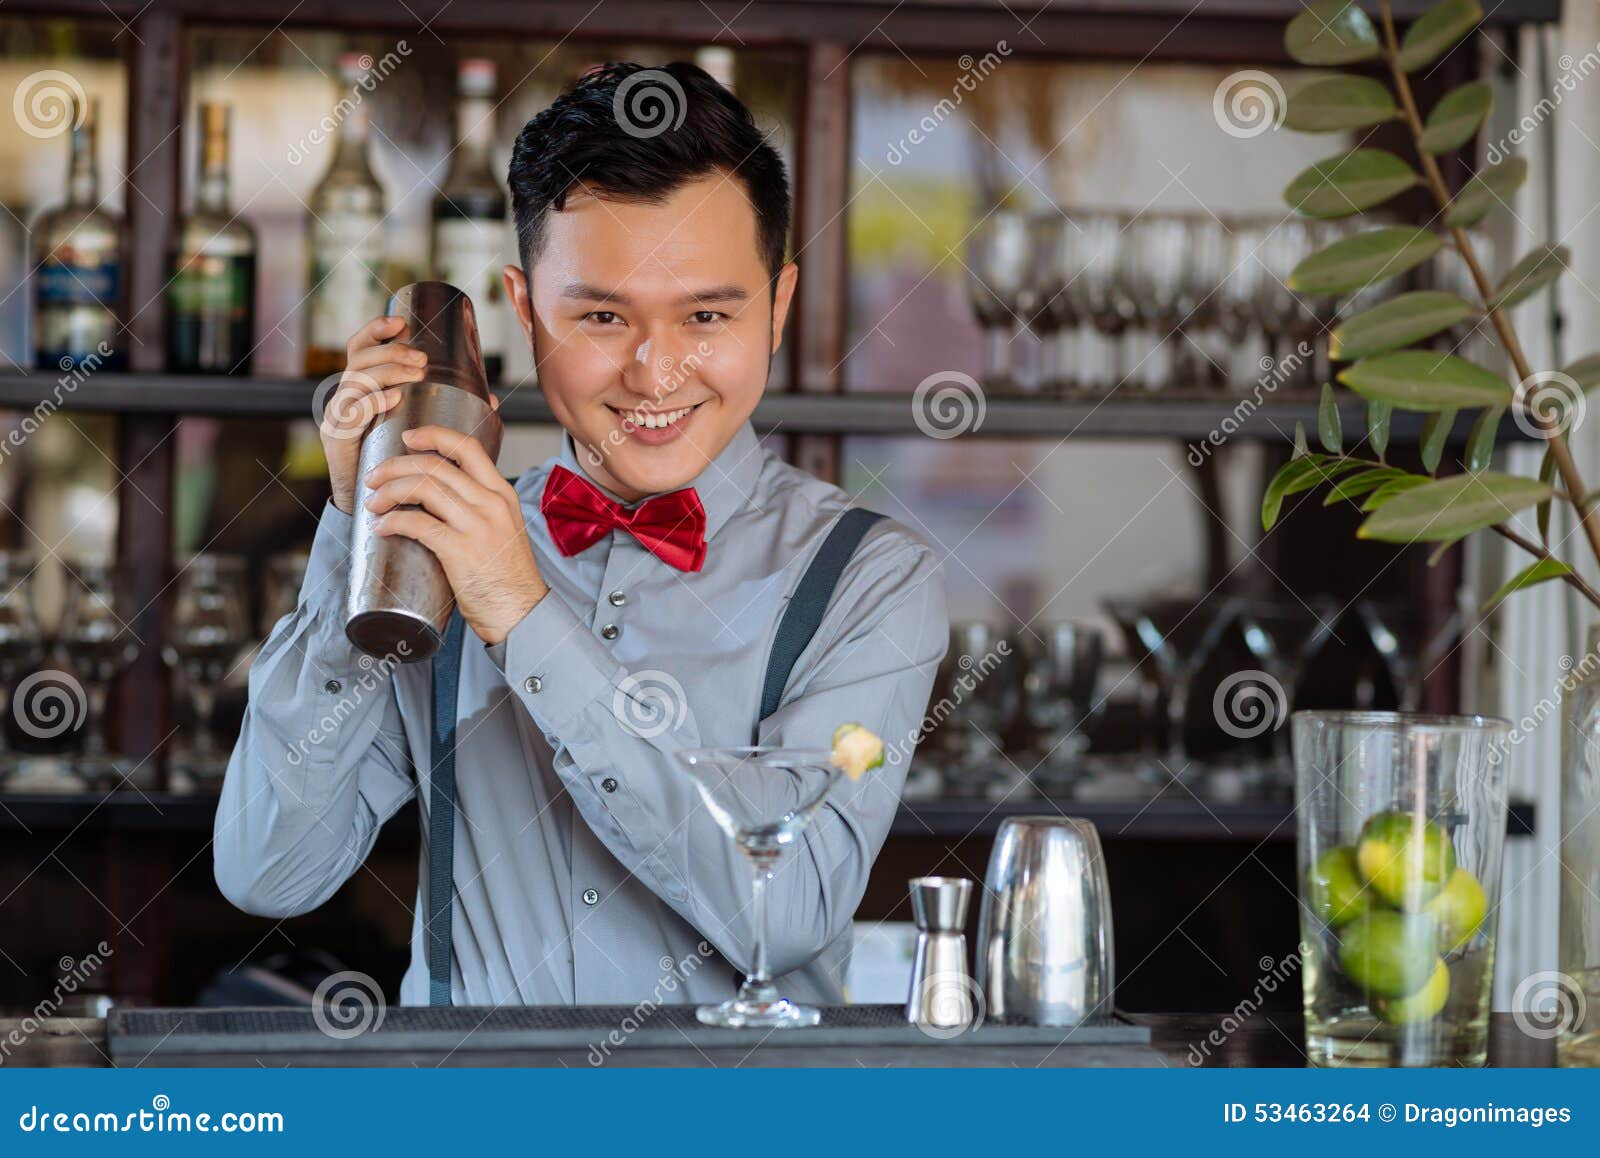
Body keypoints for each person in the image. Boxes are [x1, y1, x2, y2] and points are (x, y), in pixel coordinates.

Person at [214, 60, 948, 1007]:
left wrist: (524, 617)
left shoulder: (872, 580)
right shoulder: (433, 545)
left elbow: (789, 909)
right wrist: (359, 530)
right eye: (602, 315)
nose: (654, 372)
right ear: (524, 312)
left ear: (778, 308)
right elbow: (269, 871)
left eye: (707, 315)